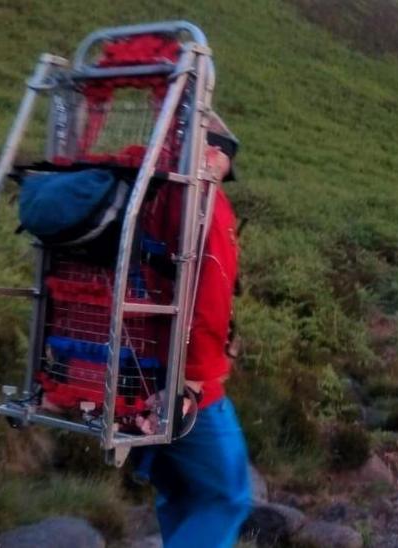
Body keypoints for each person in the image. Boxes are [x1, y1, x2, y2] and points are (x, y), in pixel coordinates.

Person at [134, 113, 252, 548]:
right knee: (229, 496)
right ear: (217, 154)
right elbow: (212, 296)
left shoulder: (157, 194)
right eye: (224, 163)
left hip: (142, 368)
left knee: (181, 491)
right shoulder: (210, 205)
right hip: (185, 382)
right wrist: (194, 383)